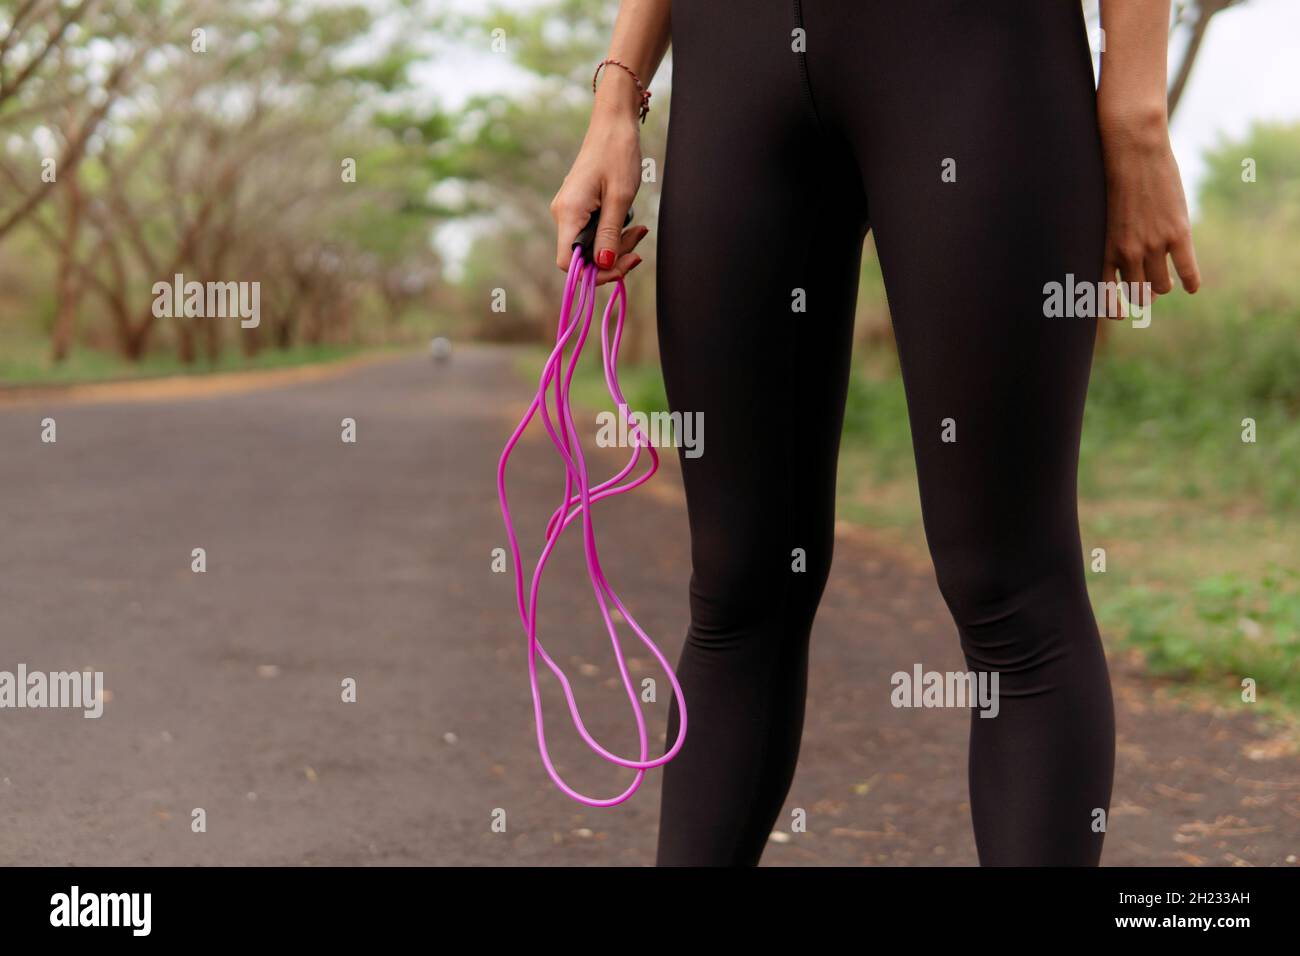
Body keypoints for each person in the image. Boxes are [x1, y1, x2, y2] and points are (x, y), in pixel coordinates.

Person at [549, 0, 1200, 866]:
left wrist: (1135, 111)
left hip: (973, 49)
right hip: (733, 60)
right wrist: (615, 98)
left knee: (1009, 589)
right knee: (739, 583)